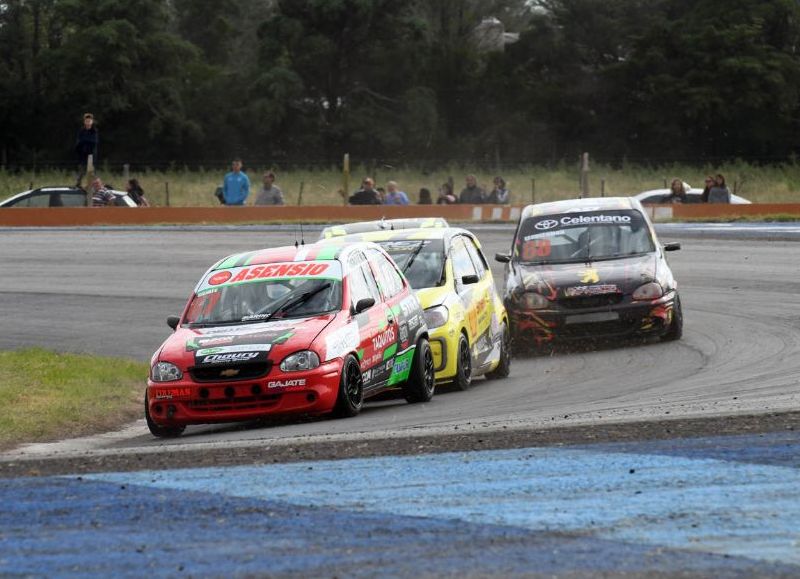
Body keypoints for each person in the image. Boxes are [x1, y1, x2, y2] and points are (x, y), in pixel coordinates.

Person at [75, 113, 99, 187]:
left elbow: (94, 142)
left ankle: (94, 185)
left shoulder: (94, 131)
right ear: (84, 122)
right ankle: (78, 184)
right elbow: (78, 142)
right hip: (82, 154)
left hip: (91, 154)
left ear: (92, 122)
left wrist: (85, 141)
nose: (88, 123)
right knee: (81, 171)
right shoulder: (81, 131)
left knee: (92, 171)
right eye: (86, 121)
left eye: (89, 121)